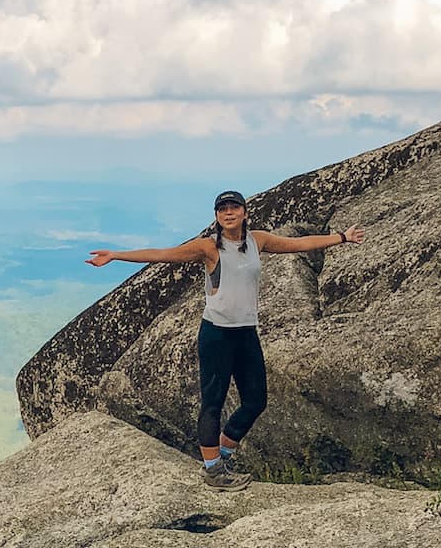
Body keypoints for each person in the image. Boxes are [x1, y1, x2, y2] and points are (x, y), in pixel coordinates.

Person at [85, 191, 366, 488]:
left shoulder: (258, 240)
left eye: (234, 207)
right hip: (217, 333)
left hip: (246, 332)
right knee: (213, 403)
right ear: (217, 216)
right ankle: (212, 470)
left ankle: (223, 455)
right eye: (222, 209)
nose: (228, 213)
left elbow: (298, 244)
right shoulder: (208, 248)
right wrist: (116, 255)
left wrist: (341, 237)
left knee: (256, 400)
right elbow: (162, 254)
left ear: (245, 212)